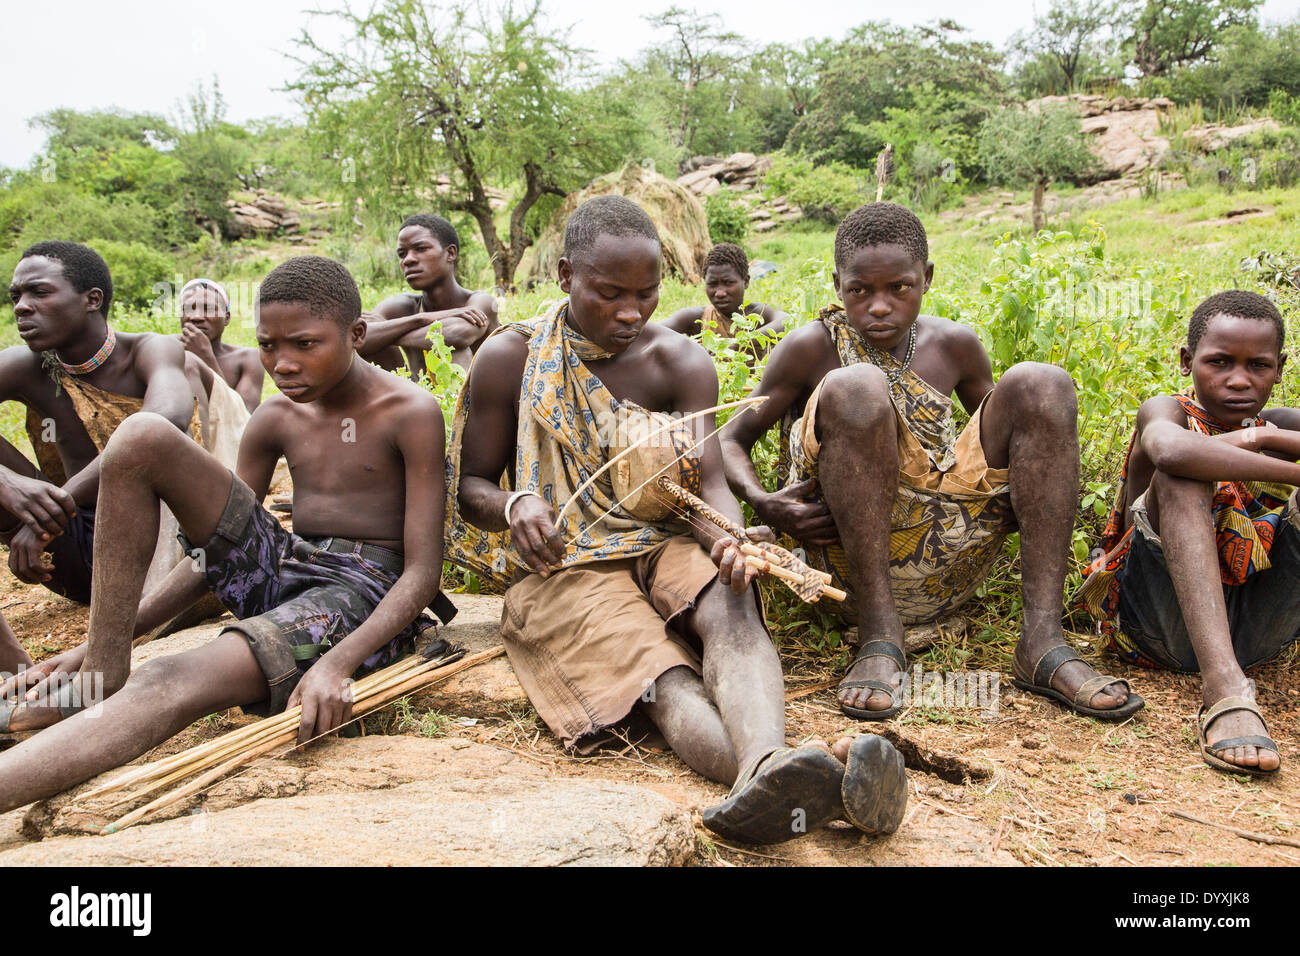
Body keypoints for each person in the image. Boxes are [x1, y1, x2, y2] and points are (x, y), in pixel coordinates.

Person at [446, 195, 907, 845]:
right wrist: (516, 504)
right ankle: (798, 778)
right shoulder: (511, 359)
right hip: (566, 564)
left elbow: (710, 478)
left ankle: (767, 769)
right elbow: (470, 489)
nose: (630, 312)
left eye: (647, 292)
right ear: (565, 275)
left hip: (663, 538)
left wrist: (728, 538)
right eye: (609, 293)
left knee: (732, 600)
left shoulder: (680, 363)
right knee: (660, 674)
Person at [0, 256, 450, 811]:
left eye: (305, 345)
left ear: (356, 335)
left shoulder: (410, 411)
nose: (282, 364)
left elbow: (423, 572)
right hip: (287, 563)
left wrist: (337, 662)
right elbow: (219, 550)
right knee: (142, 435)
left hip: (359, 591)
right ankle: (103, 667)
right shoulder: (275, 418)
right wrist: (118, 632)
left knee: (167, 678)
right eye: (268, 346)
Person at [720, 202, 1142, 724]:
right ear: (837, 286)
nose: (879, 307)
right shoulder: (811, 347)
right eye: (860, 291)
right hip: (841, 563)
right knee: (857, 387)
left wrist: (1021, 494)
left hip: (943, 561)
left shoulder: (954, 345)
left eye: (899, 288)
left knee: (1042, 383)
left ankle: (1042, 640)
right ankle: (879, 636)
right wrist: (766, 503)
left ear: (927, 278)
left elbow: (1009, 441)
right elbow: (729, 440)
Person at [1076, 290, 1299, 775]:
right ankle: (1224, 689)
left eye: (1258, 366)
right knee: (1180, 474)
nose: (1239, 380)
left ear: (1280, 368)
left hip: (1258, 629)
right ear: (1186, 360)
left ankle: (1230, 666)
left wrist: (1262, 435)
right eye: (1219, 362)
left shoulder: (1271, 424)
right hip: (1158, 626)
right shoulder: (1168, 412)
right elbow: (1173, 453)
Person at [0, 241, 199, 631]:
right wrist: (6, 484)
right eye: (16, 296)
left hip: (171, 556)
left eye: (39, 292)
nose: (22, 306)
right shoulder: (24, 366)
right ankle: (15, 669)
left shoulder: (148, 351)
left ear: (92, 299)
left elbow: (163, 420)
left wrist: (45, 518)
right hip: (73, 553)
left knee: (143, 433)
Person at [360, 214, 498, 376]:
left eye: (420, 249)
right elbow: (358, 338)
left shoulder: (480, 301)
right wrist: (421, 319)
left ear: (451, 253)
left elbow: (457, 334)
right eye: (402, 254)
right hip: (414, 397)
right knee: (372, 348)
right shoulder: (401, 306)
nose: (408, 260)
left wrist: (391, 333)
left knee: (451, 348)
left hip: (471, 398)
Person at [662, 242, 786, 358]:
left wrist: (736, 344)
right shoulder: (699, 318)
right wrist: (687, 348)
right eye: (712, 284)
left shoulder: (758, 314)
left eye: (728, 283)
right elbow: (651, 331)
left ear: (746, 281)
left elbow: (785, 321)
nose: (720, 293)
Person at [177, 278, 265, 412]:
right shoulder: (167, 353)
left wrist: (207, 358)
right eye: (188, 309)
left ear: (227, 318)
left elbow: (244, 417)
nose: (196, 316)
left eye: (209, 309)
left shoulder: (248, 358)